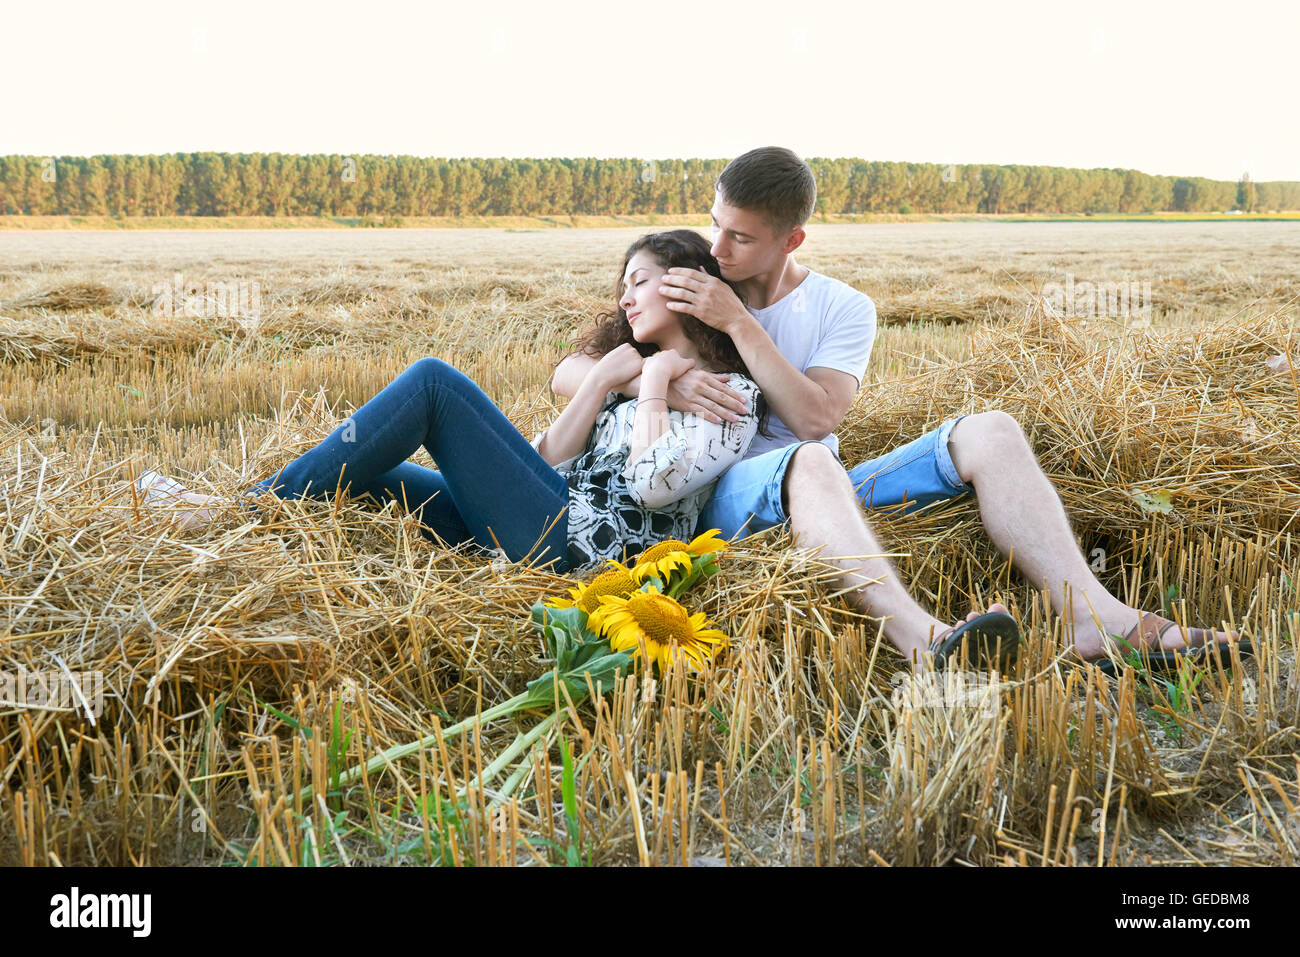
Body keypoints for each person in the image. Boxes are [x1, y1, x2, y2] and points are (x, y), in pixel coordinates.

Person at [553, 146, 1251, 674]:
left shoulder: (841, 307)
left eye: (740, 238)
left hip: (818, 484)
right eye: (715, 226)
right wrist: (662, 381)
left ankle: (1100, 620)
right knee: (805, 465)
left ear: (791, 239)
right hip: (715, 492)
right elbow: (577, 366)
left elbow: (819, 417)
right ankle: (927, 643)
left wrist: (739, 325)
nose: (716, 247)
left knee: (988, 431)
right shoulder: (695, 272)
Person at [135, 230, 764, 575]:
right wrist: (602, 383)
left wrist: (653, 388)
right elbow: (548, 457)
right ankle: (241, 516)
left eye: (640, 282)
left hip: (581, 556)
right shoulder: (630, 373)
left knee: (434, 383)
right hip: (547, 517)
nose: (625, 299)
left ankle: (224, 516)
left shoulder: (733, 397)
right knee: (365, 477)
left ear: (685, 287)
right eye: (622, 285)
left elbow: (652, 486)